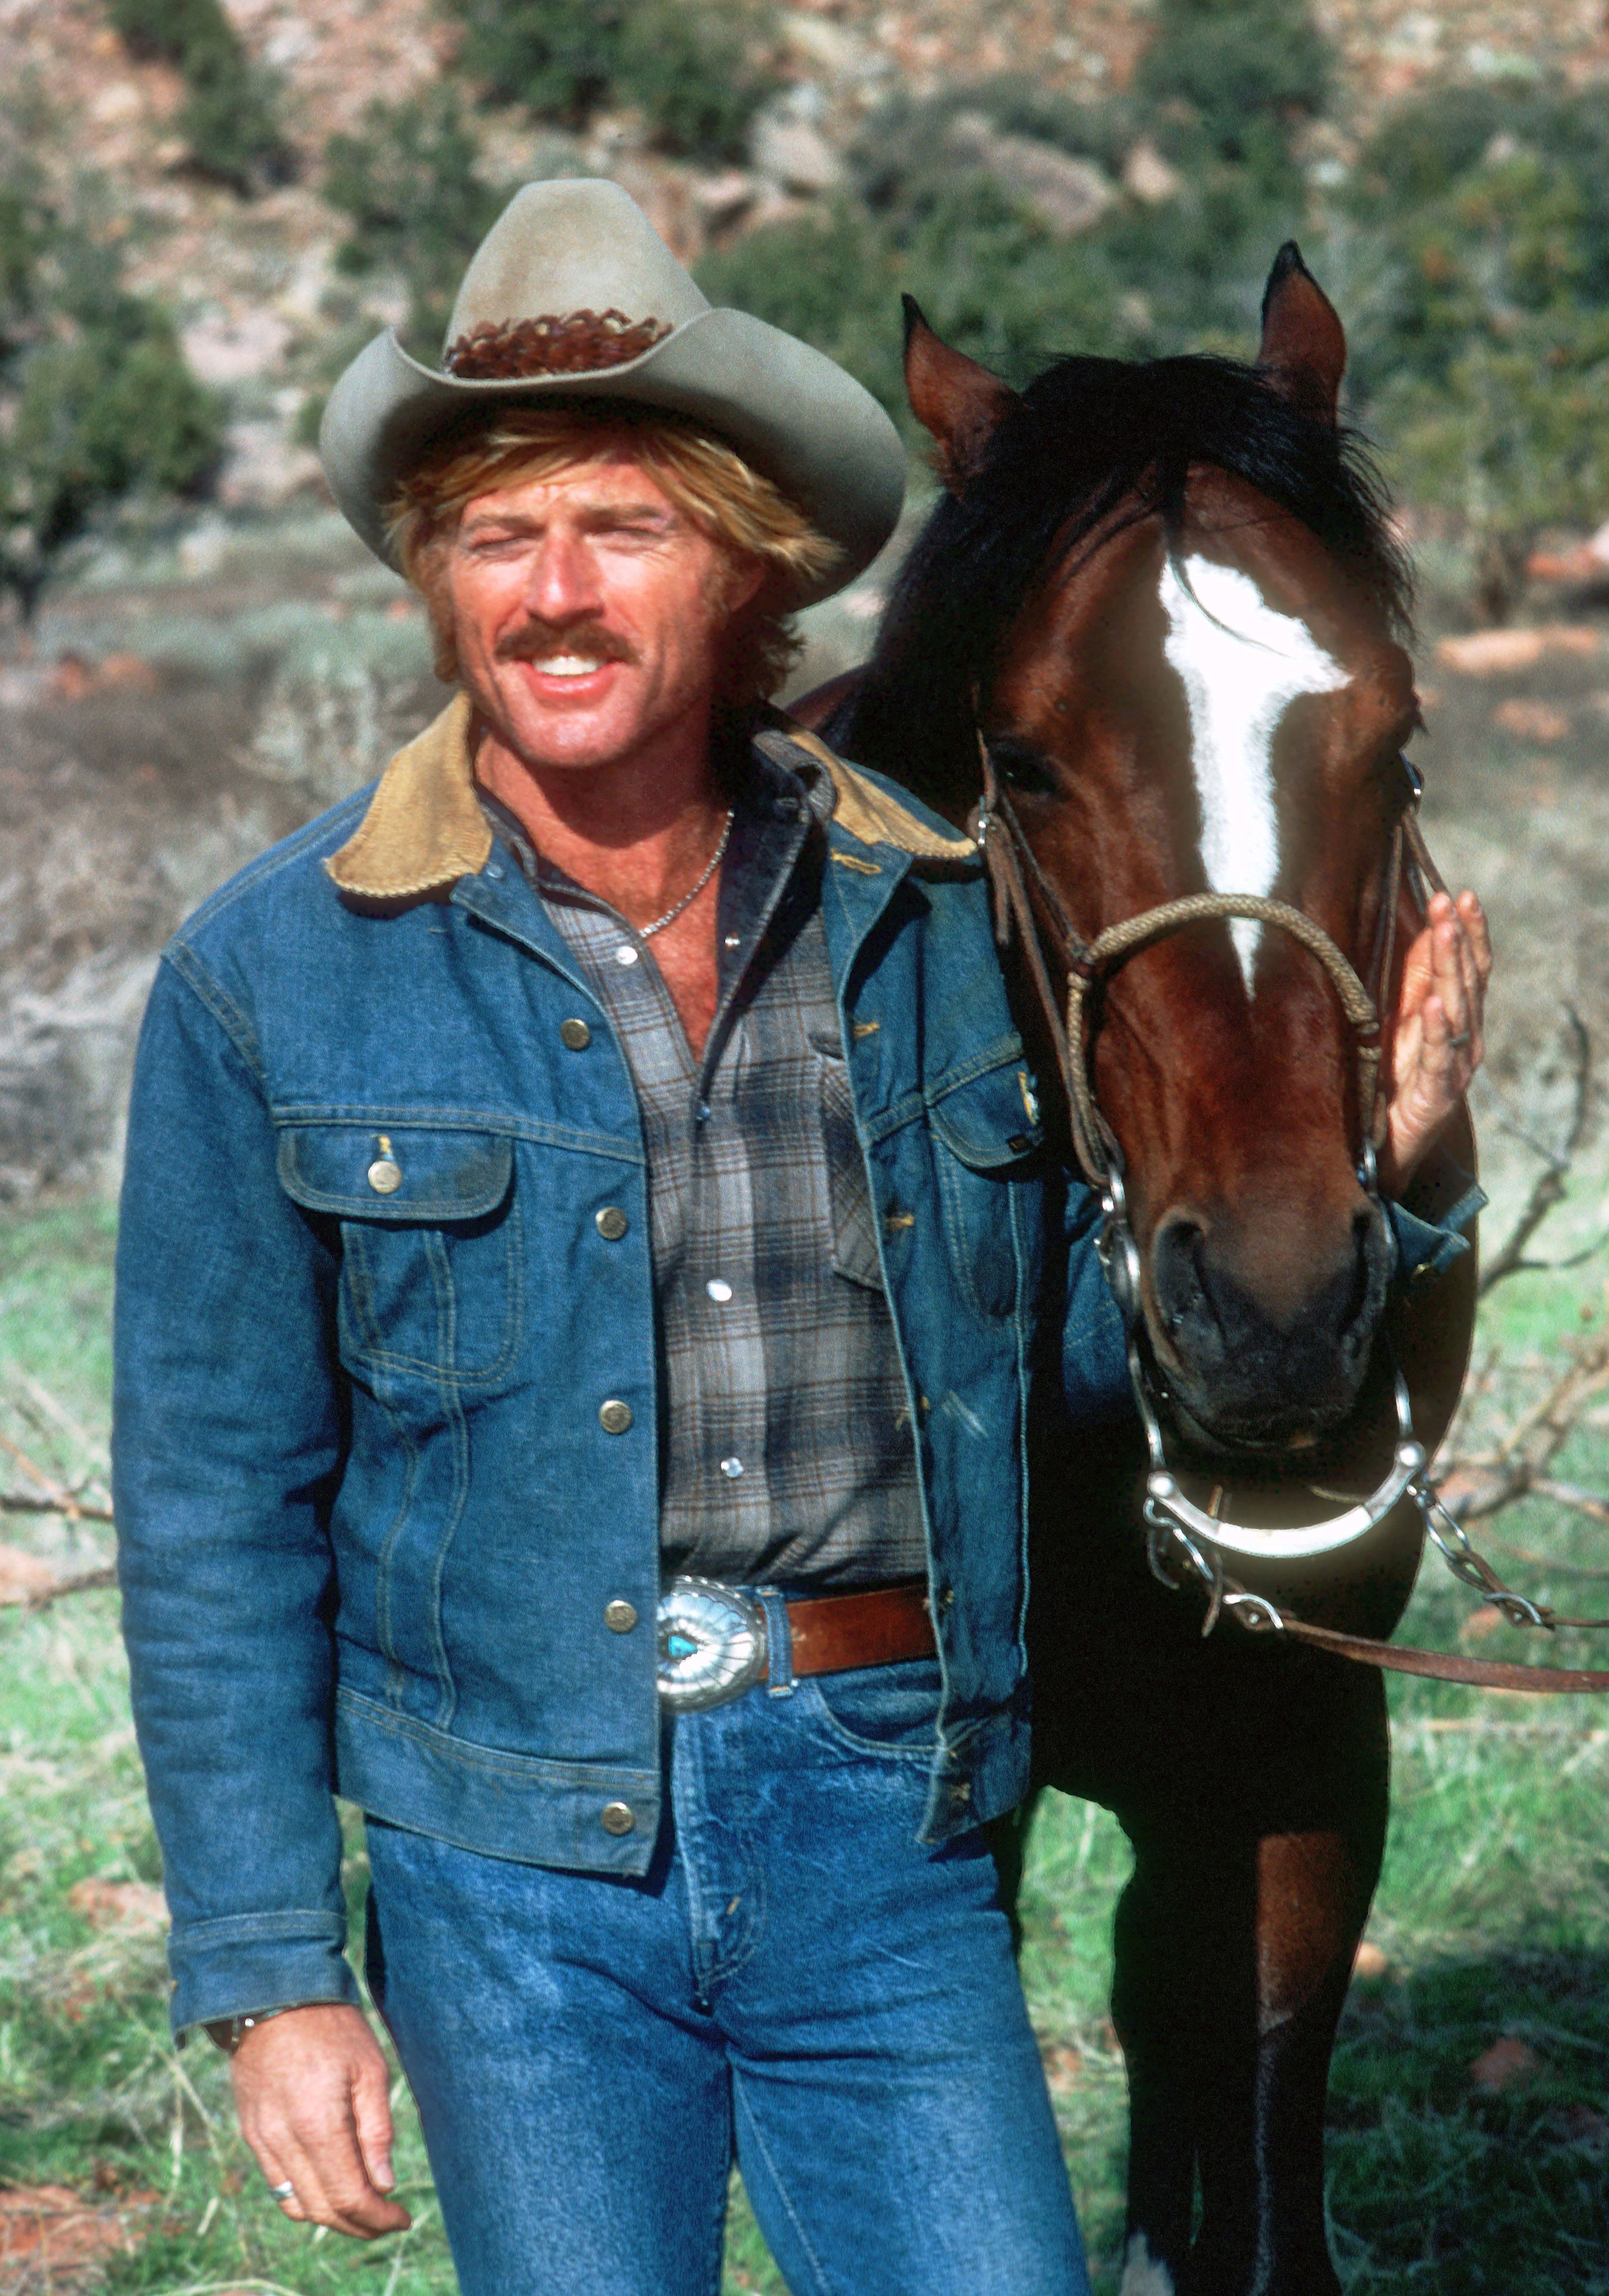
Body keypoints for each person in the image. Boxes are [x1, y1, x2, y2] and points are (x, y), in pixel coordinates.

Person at [112, 180, 1488, 2296]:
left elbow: (1070, 1357)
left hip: (878, 1819)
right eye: (496, 535)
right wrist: (272, 1969)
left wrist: (1401, 1192)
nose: (554, 593)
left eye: (623, 527)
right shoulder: (271, 975)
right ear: (433, 581)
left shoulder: (924, 922)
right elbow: (214, 1504)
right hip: (514, 1862)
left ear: (745, 566)